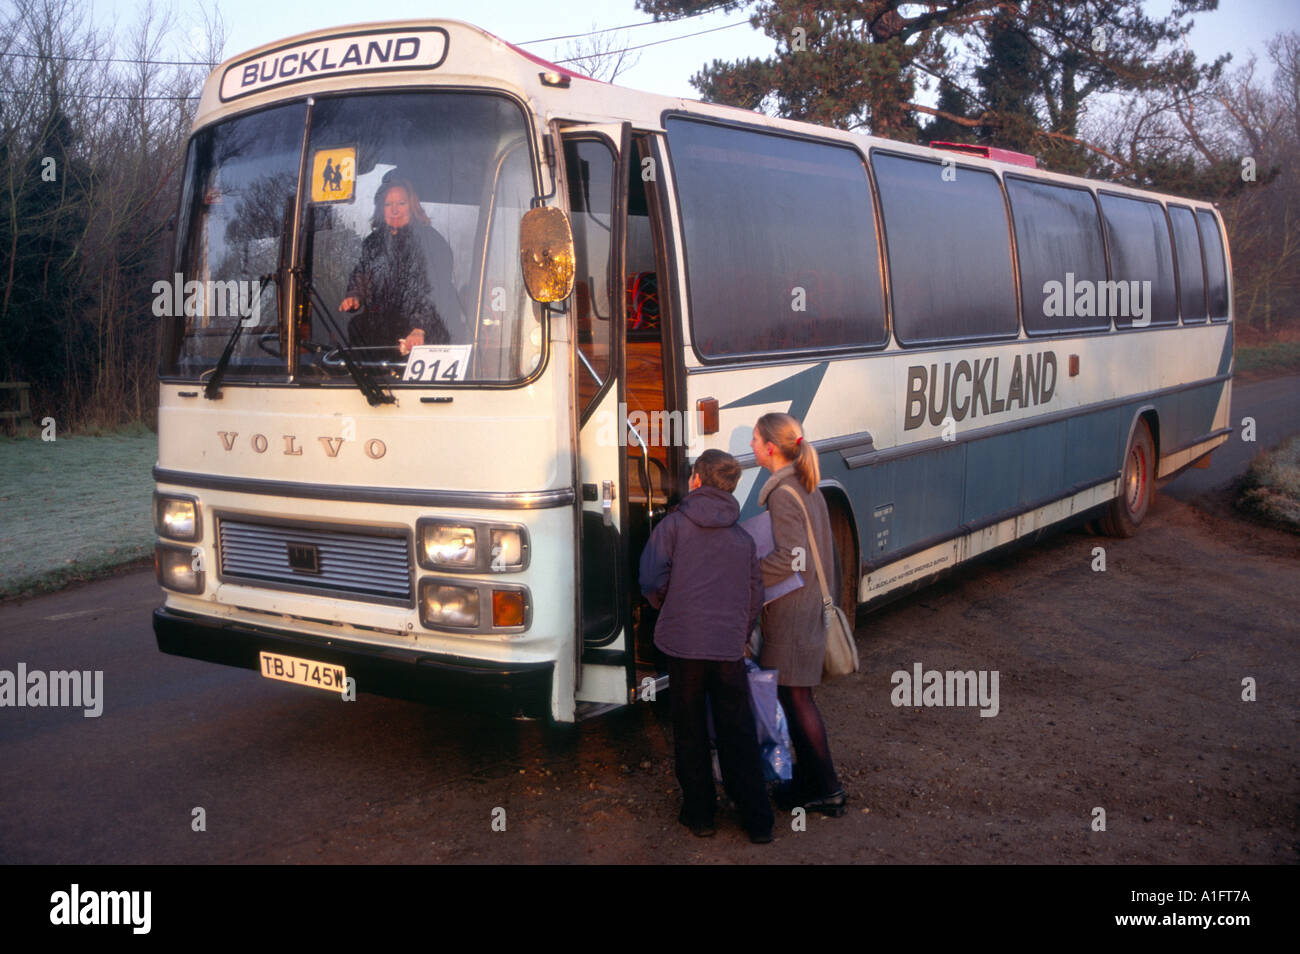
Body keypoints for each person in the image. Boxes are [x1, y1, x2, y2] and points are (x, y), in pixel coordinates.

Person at [639, 449, 774, 843]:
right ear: (731, 486)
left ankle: (700, 815)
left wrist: (670, 603)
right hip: (728, 649)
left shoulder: (674, 526)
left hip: (683, 646)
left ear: (696, 479)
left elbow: (649, 577)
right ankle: (757, 820)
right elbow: (754, 595)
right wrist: (738, 631)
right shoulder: (742, 536)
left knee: (690, 729)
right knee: (737, 730)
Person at [750, 412, 847, 817]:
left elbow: (792, 558)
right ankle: (813, 784)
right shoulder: (805, 485)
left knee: (796, 697)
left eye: (755, 440)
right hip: (808, 604)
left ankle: (826, 788)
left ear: (771, 448)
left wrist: (747, 572)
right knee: (796, 696)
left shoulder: (781, 493)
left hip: (791, 610)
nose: (752, 446)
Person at [339, 178, 461, 353]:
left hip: (422, 335)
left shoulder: (430, 241)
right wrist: (355, 294)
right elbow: (363, 273)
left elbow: (437, 290)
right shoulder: (373, 243)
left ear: (412, 206)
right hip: (382, 338)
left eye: (401, 203)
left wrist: (420, 328)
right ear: (381, 209)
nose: (394, 210)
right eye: (388, 204)